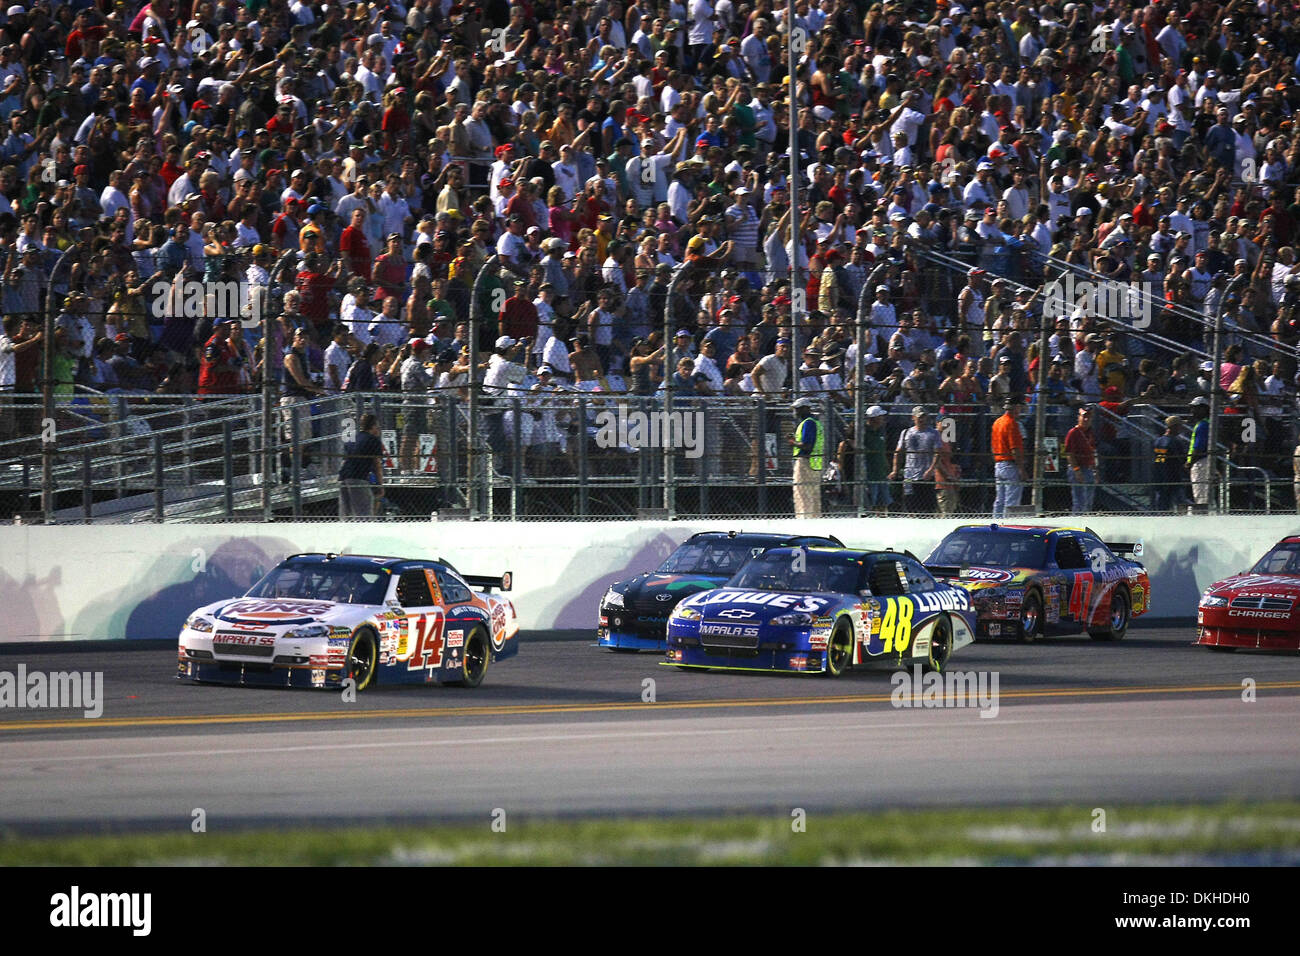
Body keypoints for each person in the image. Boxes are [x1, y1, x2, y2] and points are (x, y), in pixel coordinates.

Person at [890, 406, 941, 514]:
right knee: (911, 506)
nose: (922, 420)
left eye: (924, 417)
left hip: (926, 476)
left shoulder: (933, 433)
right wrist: (895, 470)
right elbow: (898, 452)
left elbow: (938, 452)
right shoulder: (906, 433)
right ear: (913, 417)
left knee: (928, 509)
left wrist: (931, 470)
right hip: (909, 475)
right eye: (919, 417)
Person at [339, 413, 384, 519]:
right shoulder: (373, 440)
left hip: (343, 477)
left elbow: (344, 460)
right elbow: (377, 465)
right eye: (377, 426)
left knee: (346, 515)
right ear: (373, 426)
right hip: (358, 478)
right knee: (364, 515)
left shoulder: (353, 438)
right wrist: (380, 486)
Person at [991, 395, 1027, 518]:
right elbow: (1015, 449)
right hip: (1010, 465)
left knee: (999, 500)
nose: (1021, 410)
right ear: (1016, 407)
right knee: (1012, 501)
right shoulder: (1012, 423)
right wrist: (1021, 469)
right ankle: (1008, 526)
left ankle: (995, 525)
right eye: (1020, 407)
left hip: (998, 464)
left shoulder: (997, 422)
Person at [791, 398, 824, 519]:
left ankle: (804, 519)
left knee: (803, 493)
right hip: (815, 463)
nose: (796, 412)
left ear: (805, 408)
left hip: (805, 461)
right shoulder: (816, 422)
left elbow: (807, 445)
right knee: (814, 495)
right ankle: (814, 518)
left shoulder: (808, 422)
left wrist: (793, 442)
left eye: (798, 409)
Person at [1063, 406, 1098, 514]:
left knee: (1088, 501)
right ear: (1079, 417)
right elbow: (1069, 453)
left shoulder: (1091, 433)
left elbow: (1093, 452)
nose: (1086, 420)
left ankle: (1087, 522)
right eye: (1084, 417)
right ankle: (1076, 523)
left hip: (1089, 468)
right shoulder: (1073, 432)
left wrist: (1095, 470)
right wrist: (1077, 470)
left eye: (1089, 417)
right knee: (1079, 501)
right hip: (1078, 469)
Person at [860, 405, 892, 514]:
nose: (883, 419)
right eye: (880, 416)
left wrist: (887, 467)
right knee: (870, 505)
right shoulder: (863, 433)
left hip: (881, 474)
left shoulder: (880, 432)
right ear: (873, 418)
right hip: (869, 475)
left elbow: (882, 452)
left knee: (883, 504)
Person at [1187, 396, 1213, 512]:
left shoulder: (1202, 425)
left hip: (1200, 462)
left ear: (1203, 409)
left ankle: (1203, 518)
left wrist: (1189, 463)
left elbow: (1198, 447)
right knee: (1205, 494)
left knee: (1201, 495)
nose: (1192, 411)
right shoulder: (1207, 423)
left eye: (1195, 408)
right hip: (1205, 461)